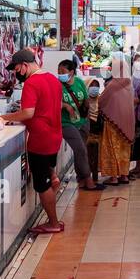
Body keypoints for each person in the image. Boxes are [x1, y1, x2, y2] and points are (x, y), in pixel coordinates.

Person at [0, 49, 65, 234]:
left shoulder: (32, 83)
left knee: (41, 185)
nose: (16, 73)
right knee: (47, 175)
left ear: (25, 66)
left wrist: (4, 117)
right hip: (54, 136)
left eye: (17, 69)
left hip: (40, 140)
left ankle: (53, 223)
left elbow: (28, 112)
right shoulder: (53, 79)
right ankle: (53, 176)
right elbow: (52, 107)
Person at [58, 60, 101, 191]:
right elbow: (53, 103)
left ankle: (80, 179)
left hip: (82, 122)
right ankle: (88, 180)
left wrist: (87, 109)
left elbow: (86, 99)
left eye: (63, 72)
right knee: (81, 149)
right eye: (59, 72)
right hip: (66, 123)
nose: (60, 74)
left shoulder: (79, 82)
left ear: (71, 72)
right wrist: (65, 106)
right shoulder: (57, 85)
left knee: (79, 151)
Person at [97, 76, 136, 185]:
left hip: (113, 123)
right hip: (127, 123)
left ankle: (113, 178)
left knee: (112, 148)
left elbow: (101, 101)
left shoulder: (113, 85)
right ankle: (124, 176)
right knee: (124, 149)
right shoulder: (128, 84)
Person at [84, 78, 103, 186]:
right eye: (92, 85)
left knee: (96, 157)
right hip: (86, 134)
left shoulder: (101, 100)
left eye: (96, 85)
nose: (94, 88)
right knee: (86, 156)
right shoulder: (84, 101)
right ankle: (85, 177)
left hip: (97, 134)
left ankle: (95, 176)